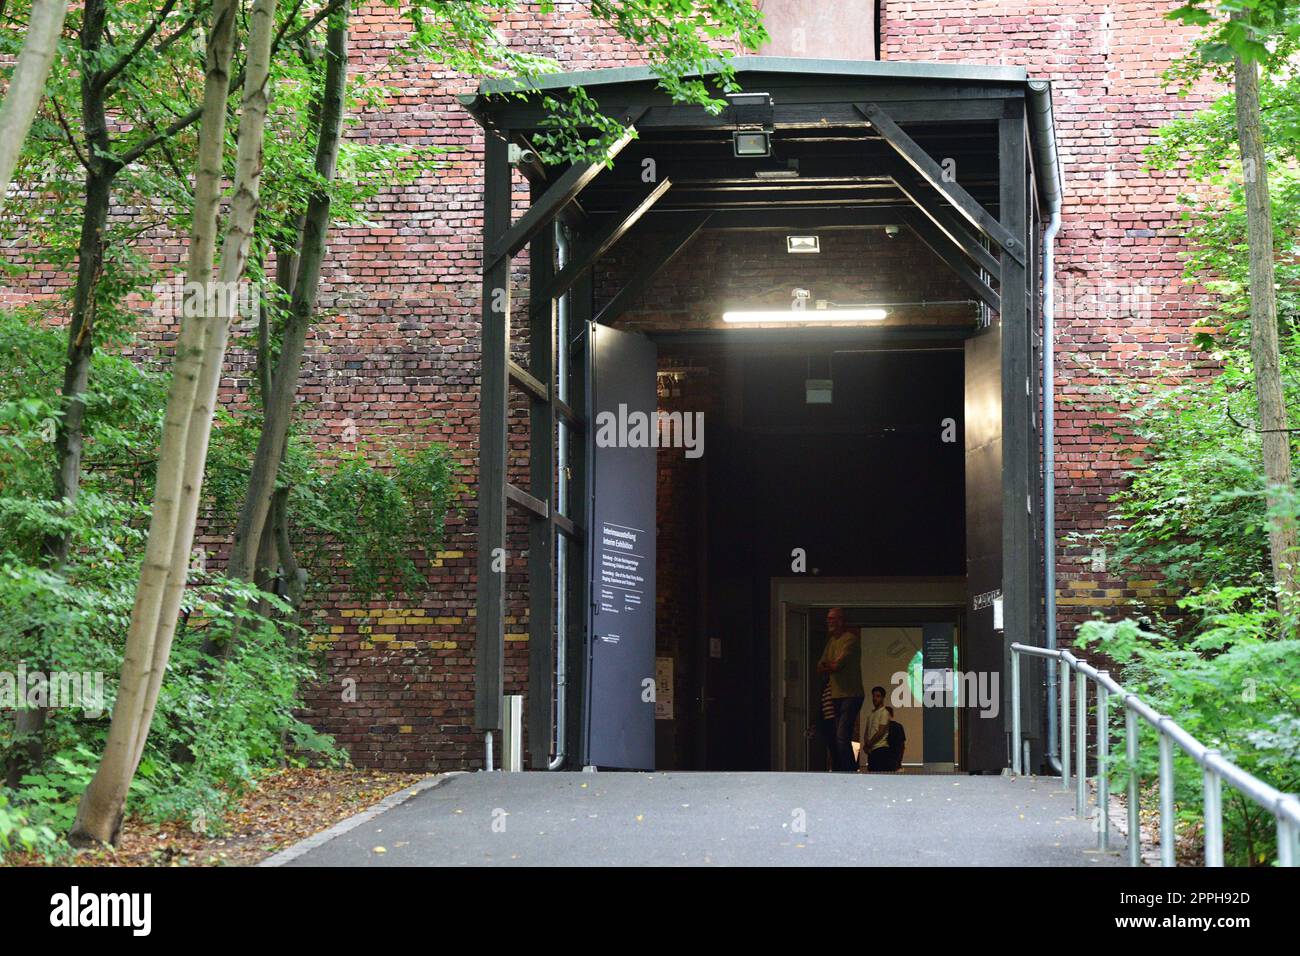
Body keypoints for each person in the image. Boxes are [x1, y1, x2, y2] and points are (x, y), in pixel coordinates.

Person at [815, 608, 862, 772]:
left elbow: (835, 665)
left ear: (841, 621)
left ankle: (849, 771)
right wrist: (829, 666)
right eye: (828, 618)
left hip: (850, 694)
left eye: (832, 618)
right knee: (838, 737)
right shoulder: (831, 643)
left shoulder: (850, 640)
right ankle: (844, 770)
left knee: (842, 736)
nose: (828, 621)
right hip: (836, 695)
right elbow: (819, 667)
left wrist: (829, 666)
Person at [859, 685, 891, 772]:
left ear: (883, 698)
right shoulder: (871, 714)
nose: (875, 698)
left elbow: (881, 731)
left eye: (878, 696)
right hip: (872, 750)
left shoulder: (884, 712)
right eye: (873, 696)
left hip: (881, 749)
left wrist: (868, 744)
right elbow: (867, 731)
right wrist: (866, 744)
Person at [884, 705, 907, 772]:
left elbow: (901, 746)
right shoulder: (898, 726)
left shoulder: (896, 727)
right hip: (893, 762)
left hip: (889, 762)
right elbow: (902, 746)